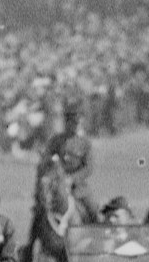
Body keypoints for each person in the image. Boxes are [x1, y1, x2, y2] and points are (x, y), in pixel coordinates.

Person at [27, 105, 100, 245]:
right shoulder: (56, 141)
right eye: (72, 122)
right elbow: (46, 161)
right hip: (56, 186)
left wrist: (72, 179)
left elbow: (89, 167)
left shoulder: (85, 143)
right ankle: (29, 247)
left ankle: (97, 244)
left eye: (78, 123)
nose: (75, 126)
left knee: (93, 210)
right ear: (67, 122)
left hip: (78, 188)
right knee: (39, 212)